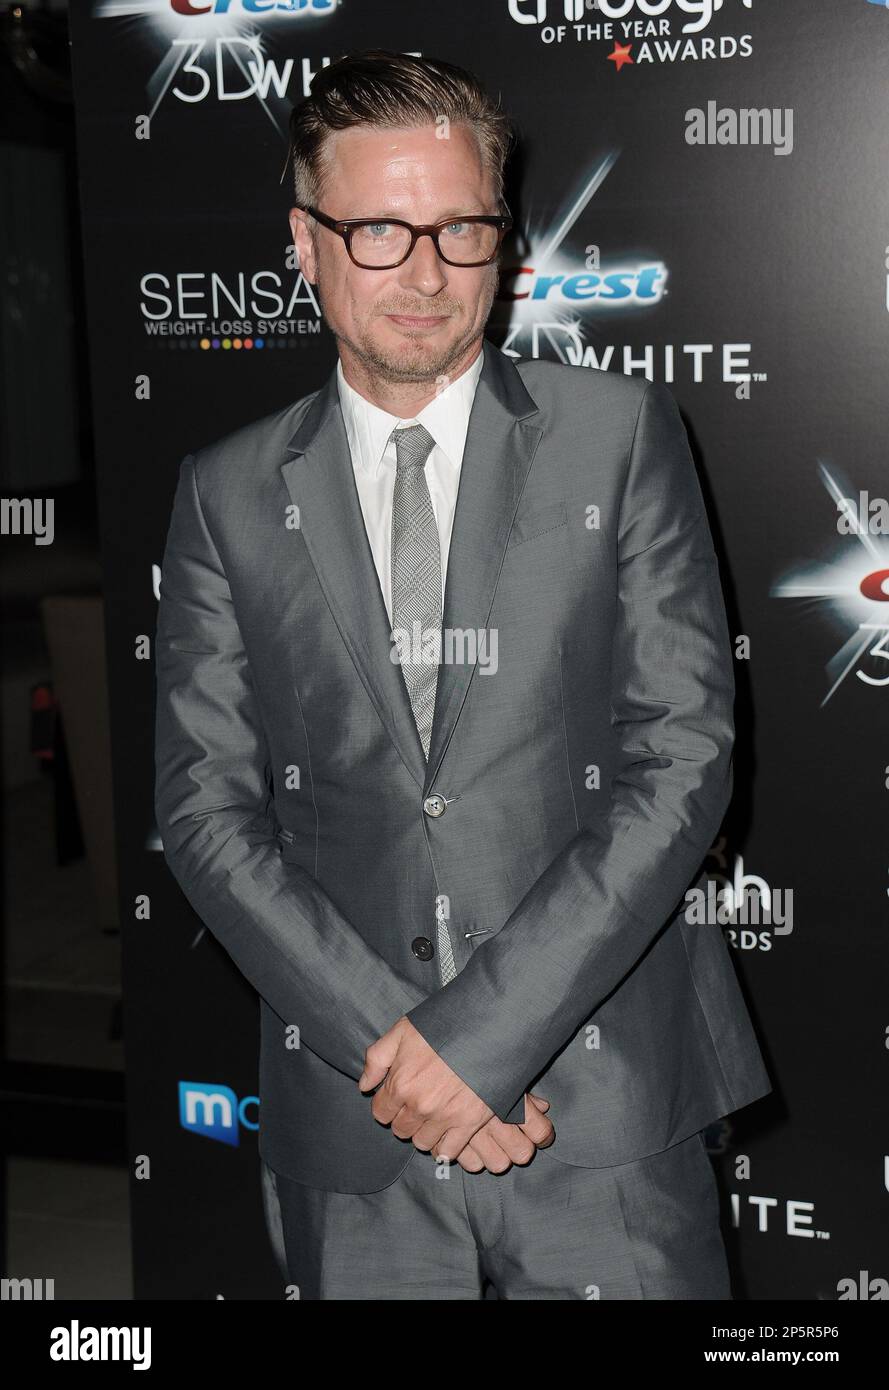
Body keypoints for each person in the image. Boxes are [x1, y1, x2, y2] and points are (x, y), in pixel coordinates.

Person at [154, 49, 771, 1300]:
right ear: (305, 241)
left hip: (607, 1119)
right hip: (356, 1119)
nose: (425, 274)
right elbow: (205, 813)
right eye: (378, 230)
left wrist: (474, 1047)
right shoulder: (222, 493)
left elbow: (682, 758)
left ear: (506, 235)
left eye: (460, 228)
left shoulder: (619, 437)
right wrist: (407, 1059)